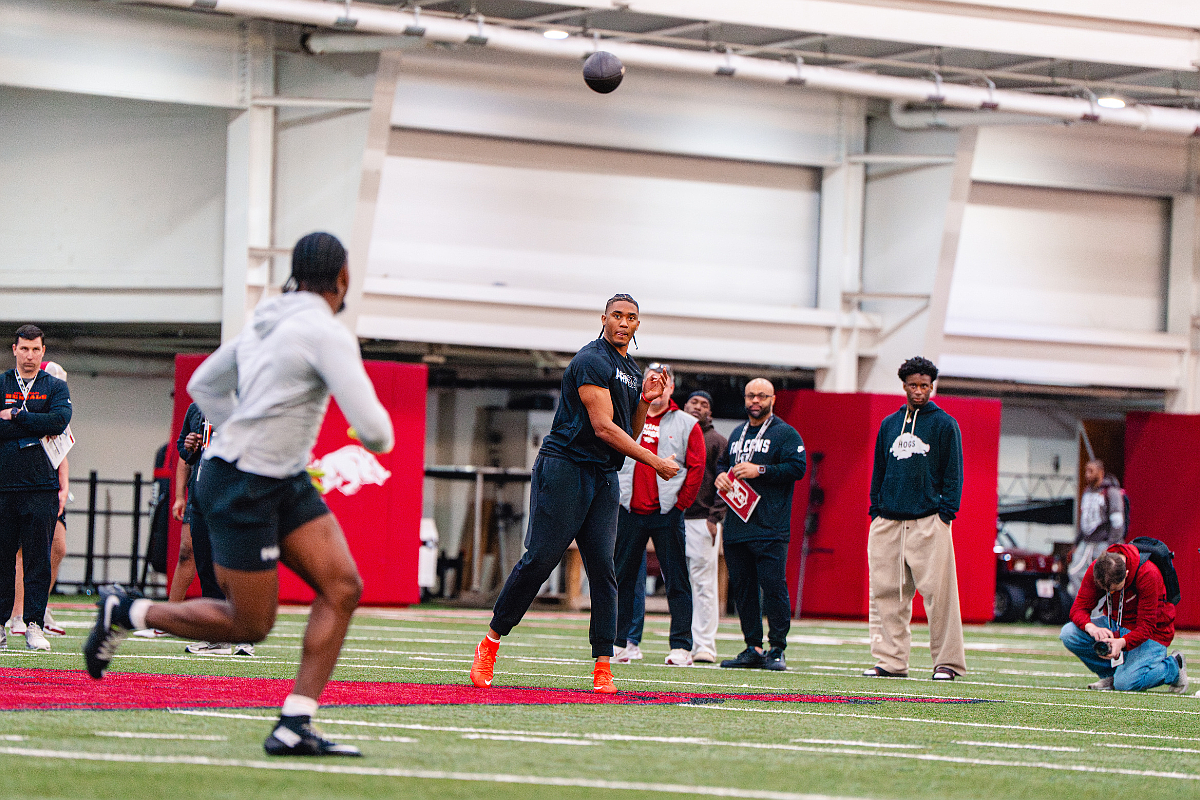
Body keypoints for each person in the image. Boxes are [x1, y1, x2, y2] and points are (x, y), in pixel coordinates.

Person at [84, 232, 394, 757]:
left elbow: (204, 384)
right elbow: (377, 433)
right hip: (246, 482)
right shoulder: (325, 331)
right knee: (250, 622)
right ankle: (129, 611)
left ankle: (295, 723)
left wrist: (238, 430)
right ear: (343, 278)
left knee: (342, 586)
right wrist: (251, 439)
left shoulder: (268, 318)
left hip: (279, 476)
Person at [469, 294, 679, 693]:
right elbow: (602, 427)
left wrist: (645, 402)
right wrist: (654, 462)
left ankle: (603, 665)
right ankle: (490, 642)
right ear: (603, 318)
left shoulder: (631, 371)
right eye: (617, 315)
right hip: (565, 467)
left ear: (638, 325)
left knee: (604, 569)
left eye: (631, 318)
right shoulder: (591, 360)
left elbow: (628, 432)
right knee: (541, 560)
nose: (623, 322)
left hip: (602, 475)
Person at [861, 356, 966, 681]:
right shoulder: (889, 424)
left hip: (929, 520)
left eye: (924, 385)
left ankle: (947, 663)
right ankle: (890, 662)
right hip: (888, 521)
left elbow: (954, 472)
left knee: (940, 596)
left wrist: (946, 513)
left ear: (932, 387)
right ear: (904, 386)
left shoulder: (945, 424)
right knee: (886, 595)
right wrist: (875, 508)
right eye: (913, 385)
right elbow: (879, 468)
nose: (919, 390)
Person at [613, 363, 704, 666]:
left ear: (672, 387)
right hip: (629, 510)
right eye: (652, 379)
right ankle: (621, 642)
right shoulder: (627, 417)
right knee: (622, 578)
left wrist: (680, 505)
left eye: (664, 381)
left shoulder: (687, 423)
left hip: (667, 512)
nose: (658, 385)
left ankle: (681, 646)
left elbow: (697, 467)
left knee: (677, 580)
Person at [714, 378, 806, 671]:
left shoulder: (785, 433)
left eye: (761, 396)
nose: (755, 400)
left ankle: (777, 647)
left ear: (773, 399)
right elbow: (721, 463)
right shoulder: (738, 433)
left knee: (773, 587)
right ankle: (752, 646)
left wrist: (760, 470)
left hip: (770, 524)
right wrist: (720, 475)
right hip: (738, 524)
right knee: (743, 588)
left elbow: (797, 468)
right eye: (751, 395)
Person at [0, 325, 72, 652]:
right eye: (24, 349)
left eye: (36, 350)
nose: (30, 356)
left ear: (43, 352)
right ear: (14, 349)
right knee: (2, 558)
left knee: (38, 559)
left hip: (42, 485)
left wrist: (15, 416)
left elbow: (59, 421)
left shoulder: (54, 386)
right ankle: (2, 623)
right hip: (4, 485)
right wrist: (33, 422)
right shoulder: (1, 382)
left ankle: (34, 624)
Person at [170, 402, 253, 656]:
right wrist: (189, 446)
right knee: (206, 566)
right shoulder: (197, 408)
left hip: (233, 496)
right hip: (201, 495)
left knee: (235, 566)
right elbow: (184, 450)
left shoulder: (248, 404)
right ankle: (217, 636)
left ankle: (245, 634)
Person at [1060, 543, 1187, 693]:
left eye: (1115, 589)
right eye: (1106, 590)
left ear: (1126, 574)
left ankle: (1173, 668)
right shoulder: (1099, 568)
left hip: (1153, 633)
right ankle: (1110, 676)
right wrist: (1091, 627)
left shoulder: (1148, 573)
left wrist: (1122, 642)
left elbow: (1146, 627)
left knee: (1126, 684)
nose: (1110, 593)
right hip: (1115, 623)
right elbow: (1078, 609)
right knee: (1069, 633)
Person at [682, 389, 727, 663]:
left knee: (704, 584)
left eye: (704, 404)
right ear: (685, 405)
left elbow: (726, 481)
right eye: (694, 402)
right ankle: (683, 642)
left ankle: (705, 644)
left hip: (702, 519)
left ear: (710, 411)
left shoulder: (717, 441)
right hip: (673, 518)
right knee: (679, 584)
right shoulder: (676, 435)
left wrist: (716, 516)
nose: (698, 407)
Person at [1067, 459, 1126, 597]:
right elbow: (1085, 520)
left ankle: (1100, 612)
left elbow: (1117, 521)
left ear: (1100, 472)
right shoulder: (1087, 492)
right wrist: (1077, 543)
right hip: (1086, 542)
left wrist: (1112, 545)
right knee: (1074, 572)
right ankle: (1081, 608)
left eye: (1091, 471)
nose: (1087, 474)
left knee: (1105, 576)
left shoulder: (1111, 492)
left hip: (1103, 542)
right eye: (1086, 470)